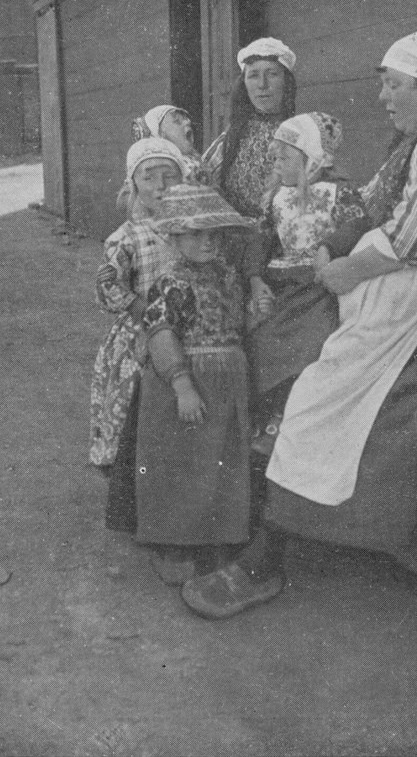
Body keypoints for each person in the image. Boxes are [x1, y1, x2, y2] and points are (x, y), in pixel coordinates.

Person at [181, 26, 417, 621]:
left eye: (395, 85)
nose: (384, 97)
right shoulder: (415, 140)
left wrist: (349, 266)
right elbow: (367, 202)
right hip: (382, 279)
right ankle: (240, 510)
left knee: (323, 391)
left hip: (416, 292)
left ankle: (268, 554)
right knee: (280, 343)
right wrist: (334, 243)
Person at [134, 184, 254, 585]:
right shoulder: (172, 282)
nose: (207, 242)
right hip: (187, 381)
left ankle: (215, 540)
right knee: (181, 462)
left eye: (213, 233)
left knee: (221, 460)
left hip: (227, 381)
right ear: (174, 236)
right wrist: (182, 384)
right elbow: (160, 332)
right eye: (195, 234)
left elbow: (234, 322)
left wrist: (255, 312)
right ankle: (173, 546)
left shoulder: (227, 275)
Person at [245, 112, 367, 452]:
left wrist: (330, 246)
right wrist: (255, 278)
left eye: (284, 157)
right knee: (262, 338)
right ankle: (265, 419)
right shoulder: (276, 198)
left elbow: (357, 224)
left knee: (313, 342)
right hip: (282, 284)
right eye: (275, 157)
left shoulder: (339, 192)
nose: (276, 163)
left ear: (310, 159)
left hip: (317, 287)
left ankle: (289, 420)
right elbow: (261, 240)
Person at [89, 137, 186, 472]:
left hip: (187, 328)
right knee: (137, 402)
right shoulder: (127, 237)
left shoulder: (191, 229)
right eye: (149, 177)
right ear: (134, 185)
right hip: (142, 332)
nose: (160, 186)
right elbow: (109, 284)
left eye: (169, 176)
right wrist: (138, 306)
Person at [202, 37, 297, 219]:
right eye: (253, 75)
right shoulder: (232, 136)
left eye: (272, 74)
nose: (262, 84)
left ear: (286, 82)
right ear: (244, 84)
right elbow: (201, 180)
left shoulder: (300, 135)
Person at [131, 105, 208, 182]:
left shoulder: (198, 162)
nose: (188, 121)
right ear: (159, 136)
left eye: (185, 118)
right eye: (177, 121)